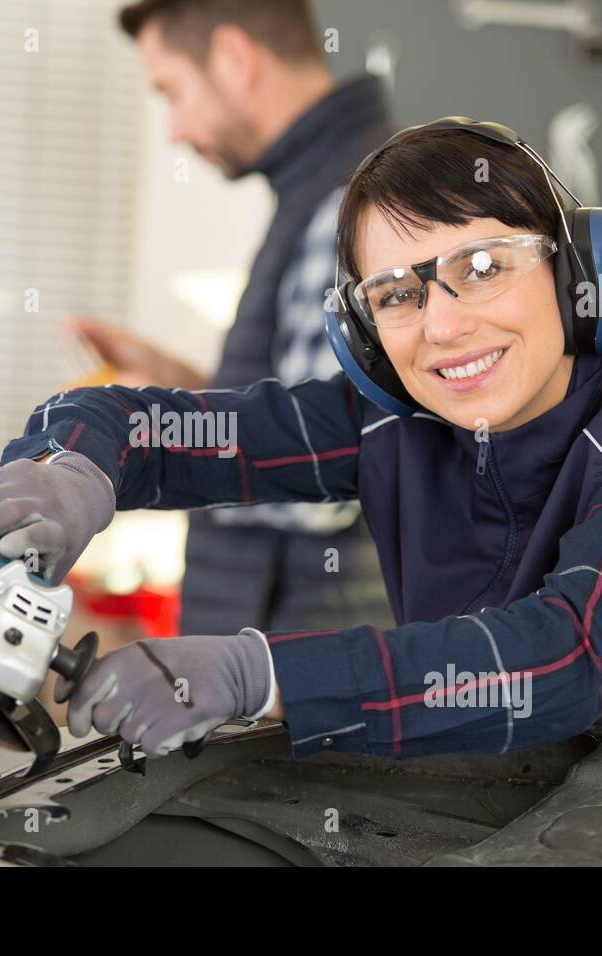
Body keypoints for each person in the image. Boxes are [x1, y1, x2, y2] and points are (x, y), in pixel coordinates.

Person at [0, 118, 602, 761]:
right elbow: (156, 430)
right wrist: (71, 468)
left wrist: (258, 674)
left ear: (576, 274)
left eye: (481, 269)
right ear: (363, 334)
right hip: (515, 787)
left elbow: (565, 658)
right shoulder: (396, 415)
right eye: (398, 294)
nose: (443, 326)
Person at [67, 0, 394, 636]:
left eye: (173, 91)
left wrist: (144, 430)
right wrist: (182, 382)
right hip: (276, 662)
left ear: (234, 59)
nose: (175, 129)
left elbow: (324, 468)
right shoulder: (328, 187)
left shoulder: (349, 205)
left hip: (291, 676)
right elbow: (308, 410)